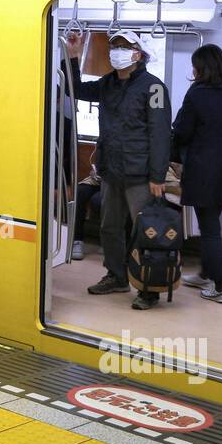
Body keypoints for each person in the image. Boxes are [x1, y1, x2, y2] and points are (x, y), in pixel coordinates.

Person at [65, 29, 171, 310]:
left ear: (138, 54)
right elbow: (74, 89)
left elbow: (160, 134)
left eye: (124, 47)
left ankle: (149, 287)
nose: (117, 51)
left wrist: (158, 176)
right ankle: (116, 275)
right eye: (115, 46)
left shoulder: (154, 87)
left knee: (144, 231)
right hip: (111, 171)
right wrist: (74, 57)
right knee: (110, 228)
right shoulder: (108, 84)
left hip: (140, 175)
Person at [171, 44, 222, 303]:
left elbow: (181, 131)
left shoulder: (197, 95)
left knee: (210, 228)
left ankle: (220, 286)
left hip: (203, 171)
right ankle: (206, 272)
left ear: (201, 68)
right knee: (210, 223)